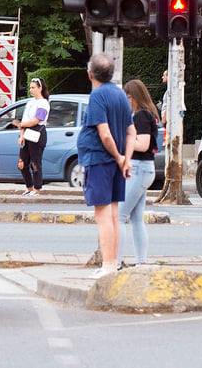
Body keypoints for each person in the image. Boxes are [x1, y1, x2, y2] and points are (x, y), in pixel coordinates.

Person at [78, 53, 132, 276]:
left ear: (90, 73)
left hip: (100, 160)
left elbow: (104, 133)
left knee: (103, 215)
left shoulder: (97, 96)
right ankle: (113, 263)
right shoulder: (120, 95)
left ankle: (108, 265)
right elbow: (131, 131)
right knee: (113, 214)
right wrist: (125, 159)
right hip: (116, 162)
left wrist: (119, 158)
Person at [120, 78, 159, 266]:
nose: (126, 100)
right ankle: (141, 262)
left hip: (139, 168)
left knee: (119, 216)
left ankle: (115, 261)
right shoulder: (145, 114)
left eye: (128, 96)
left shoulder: (141, 116)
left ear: (135, 96)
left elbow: (142, 145)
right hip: (141, 169)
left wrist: (123, 139)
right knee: (136, 218)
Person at [16, 78, 50, 194]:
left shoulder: (44, 103)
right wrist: (21, 135)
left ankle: (37, 187)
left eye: (33, 87)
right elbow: (24, 120)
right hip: (26, 132)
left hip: (37, 133)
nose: (31, 90)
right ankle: (29, 186)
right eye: (30, 87)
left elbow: (37, 120)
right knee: (22, 163)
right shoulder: (30, 103)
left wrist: (22, 124)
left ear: (40, 88)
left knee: (35, 163)